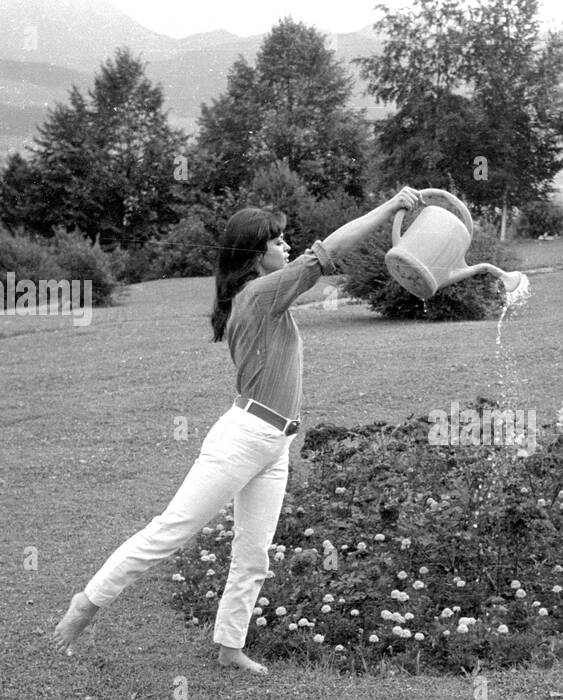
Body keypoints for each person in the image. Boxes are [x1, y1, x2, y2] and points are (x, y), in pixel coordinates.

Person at [50, 186, 424, 674]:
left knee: (253, 555)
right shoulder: (259, 294)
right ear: (254, 254)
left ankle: (230, 647)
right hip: (244, 438)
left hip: (275, 443)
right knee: (171, 530)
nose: (287, 246)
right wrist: (391, 207)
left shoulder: (261, 297)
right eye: (278, 241)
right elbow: (329, 251)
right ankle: (85, 606)